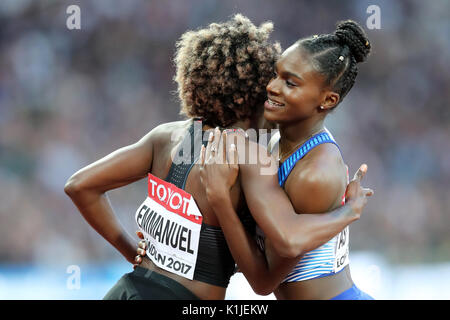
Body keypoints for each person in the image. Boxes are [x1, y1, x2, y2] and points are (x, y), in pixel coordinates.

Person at [64, 14, 371, 300]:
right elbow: (266, 273)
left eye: (288, 82)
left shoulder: (167, 136)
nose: (273, 89)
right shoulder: (251, 156)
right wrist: (348, 212)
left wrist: (134, 253)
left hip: (129, 290)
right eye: (272, 79)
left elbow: (79, 185)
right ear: (251, 94)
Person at [195, 20, 375, 300]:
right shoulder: (279, 137)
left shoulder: (315, 174)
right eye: (276, 74)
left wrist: (220, 199)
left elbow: (264, 280)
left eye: (290, 83)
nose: (272, 87)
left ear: (327, 100)